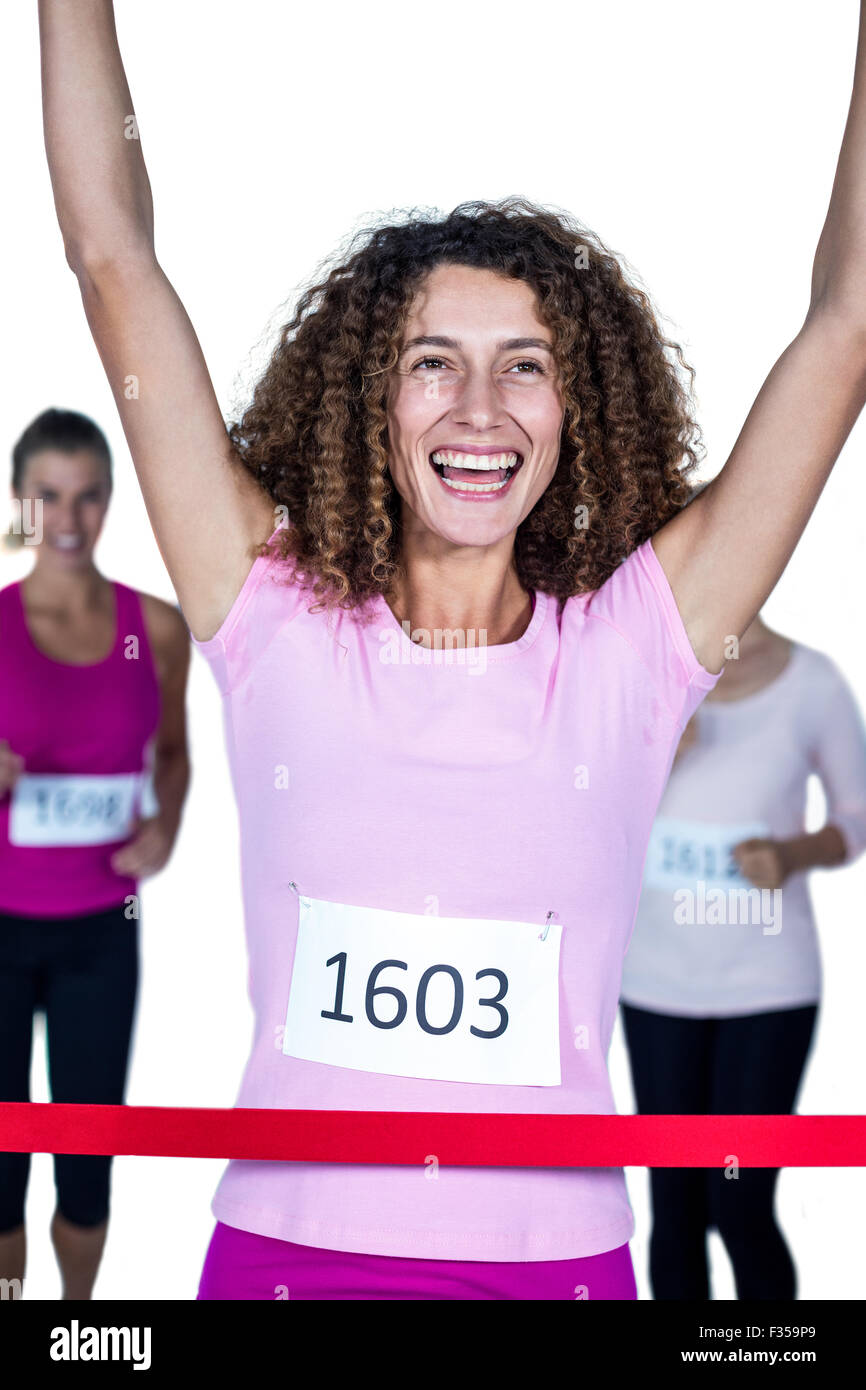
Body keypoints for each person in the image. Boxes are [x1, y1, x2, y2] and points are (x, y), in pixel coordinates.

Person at [35, 0, 866, 1301]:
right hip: (285, 1263)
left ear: (574, 406)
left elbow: (846, 328)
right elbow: (110, 258)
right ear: (370, 396)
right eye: (433, 362)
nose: (479, 410)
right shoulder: (266, 608)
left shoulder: (634, 652)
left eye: (523, 366)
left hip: (555, 1276)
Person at [620, 556, 866, 1301]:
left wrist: (792, 853)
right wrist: (652, 755)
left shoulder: (812, 683)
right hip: (655, 982)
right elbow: (580, 819)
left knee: (740, 1202)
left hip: (769, 988)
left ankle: (765, 1358)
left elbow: (856, 819)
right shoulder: (640, 678)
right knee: (675, 1205)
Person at [0, 407, 190, 1300]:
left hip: (100, 931)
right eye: (48, 497)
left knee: (85, 1152)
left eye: (88, 498)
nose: (68, 519)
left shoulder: (154, 628)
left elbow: (175, 754)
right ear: (19, 503)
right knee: (0, 1171)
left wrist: (168, 824)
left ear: (111, 503)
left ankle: (73, 1323)